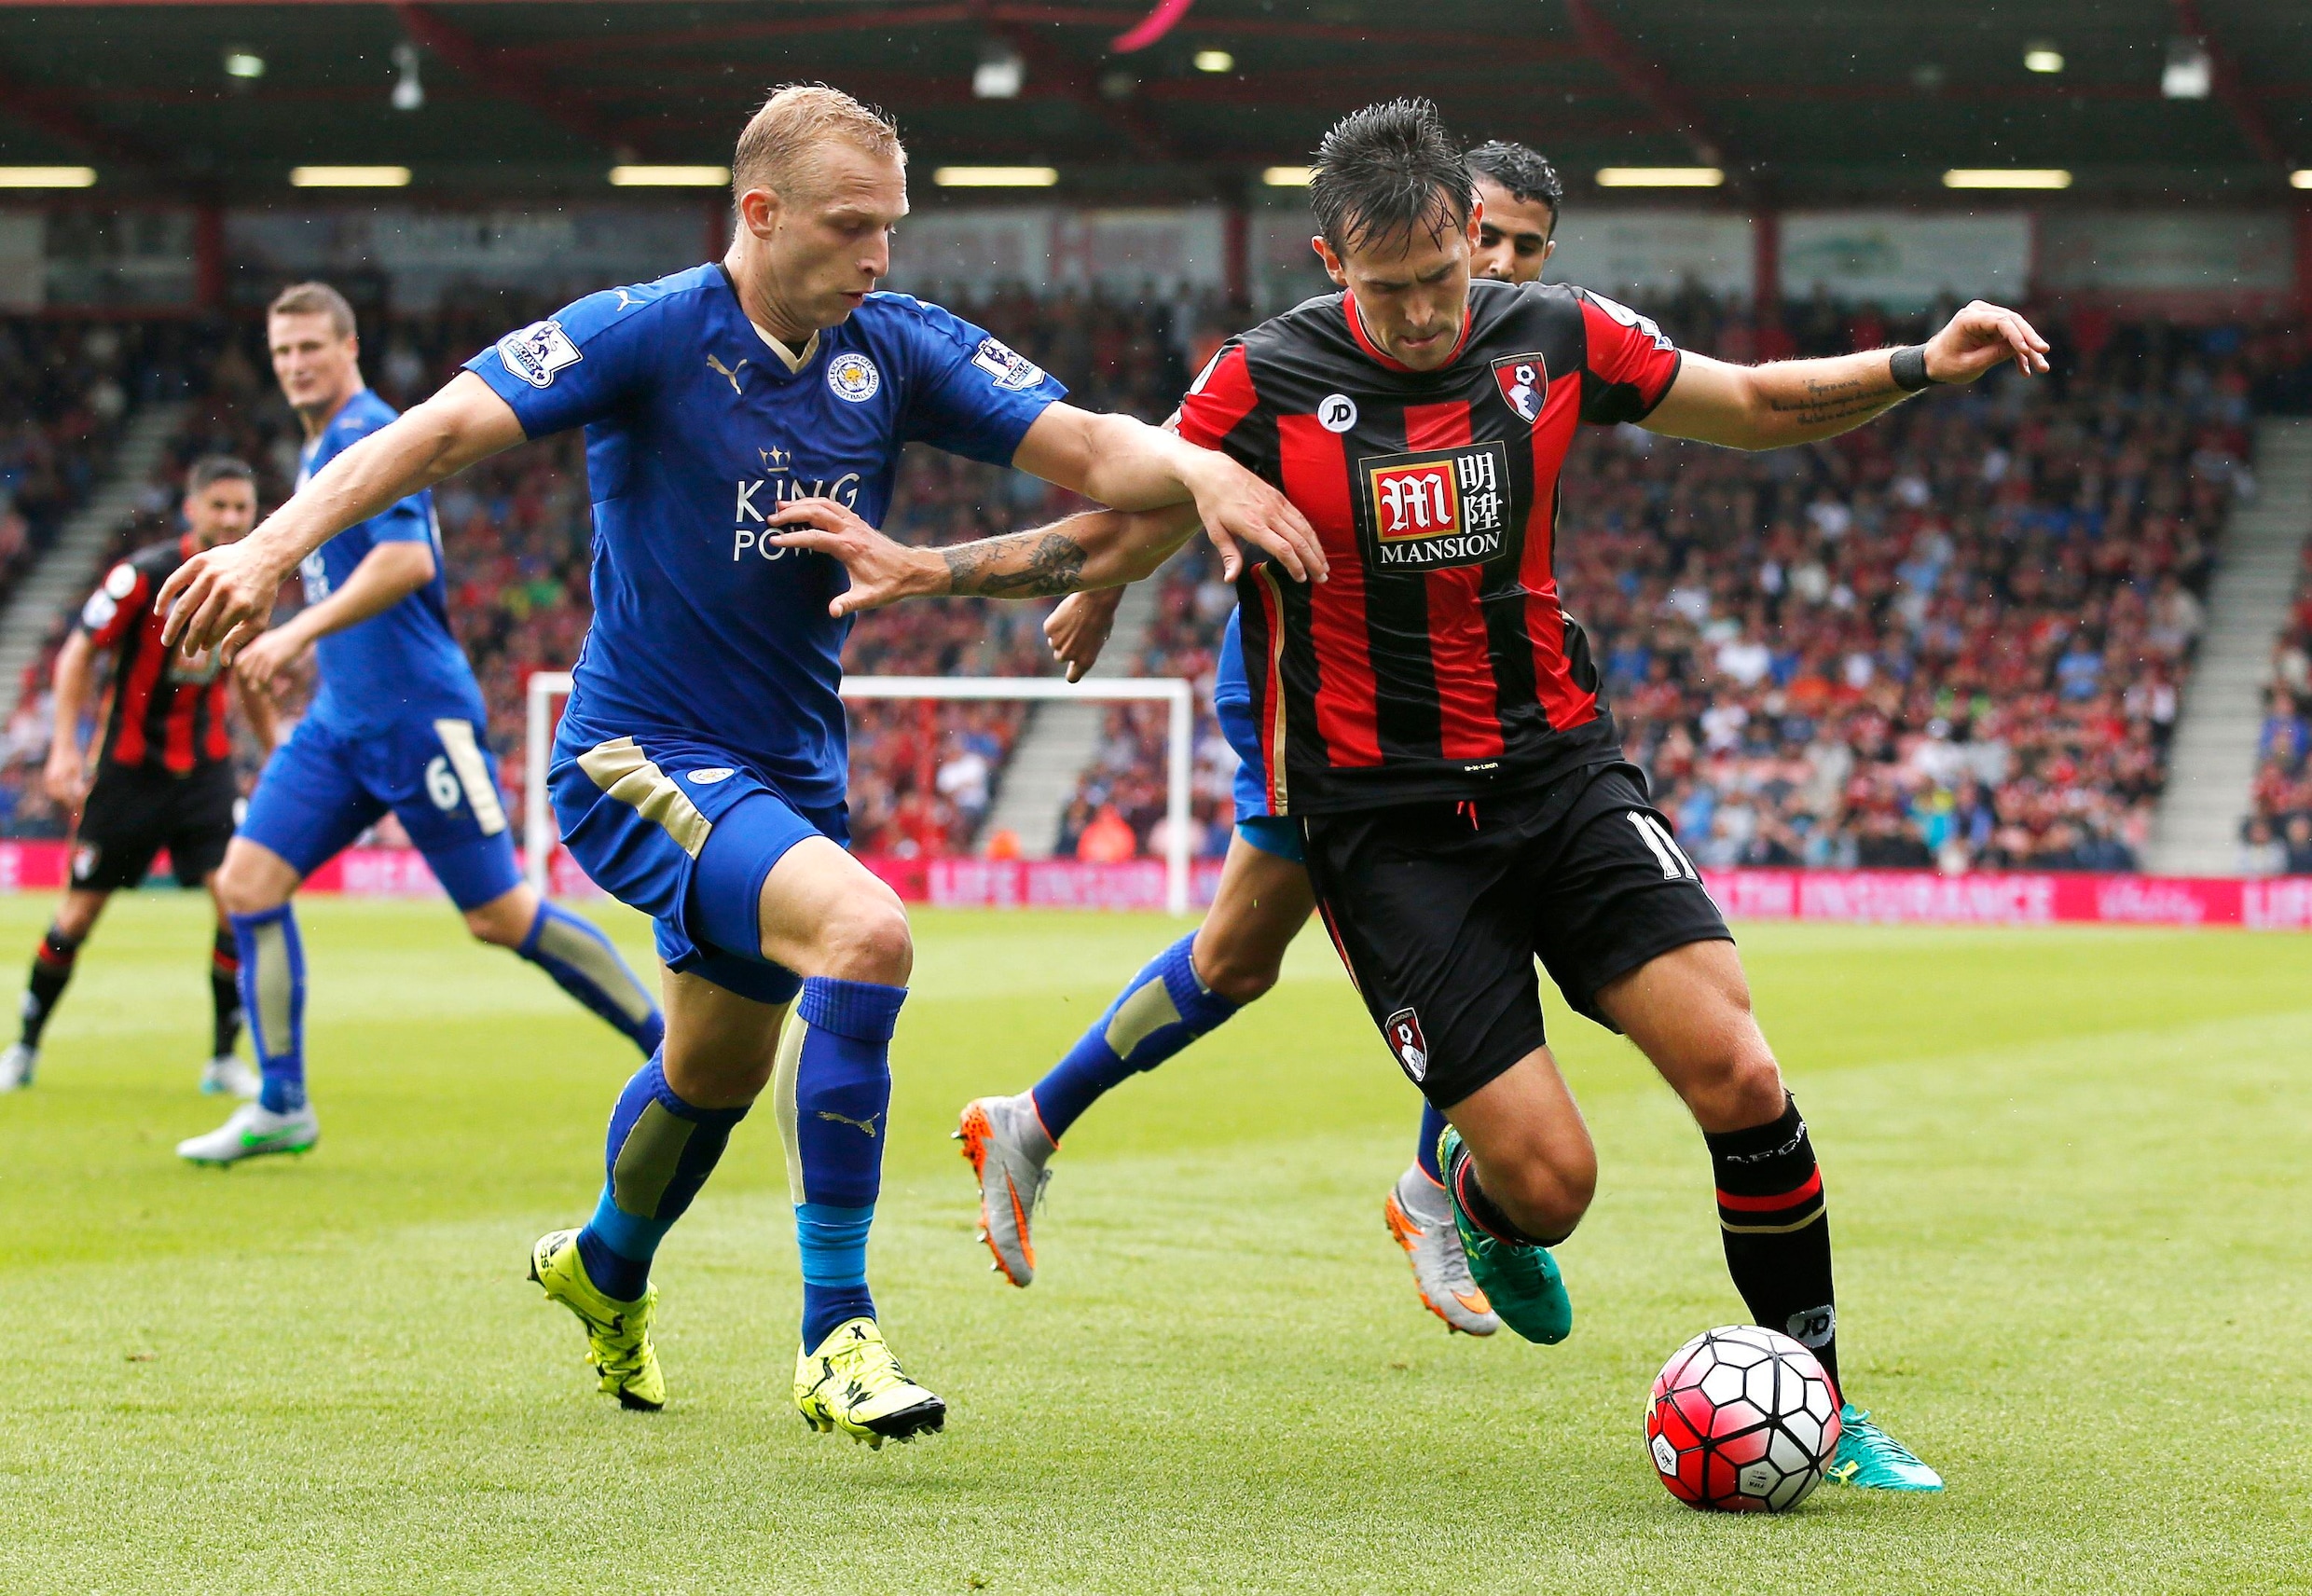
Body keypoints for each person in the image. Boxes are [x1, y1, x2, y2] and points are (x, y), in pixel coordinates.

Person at [778, 98, 2056, 1492]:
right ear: (1335, 262)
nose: (1429, 311)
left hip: (1561, 773)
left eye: (1446, 276)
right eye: (1389, 290)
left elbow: (1743, 404)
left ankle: (1824, 1396)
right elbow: (1119, 528)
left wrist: (1922, 361)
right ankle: (1465, 1190)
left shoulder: (1557, 332)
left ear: (1468, 232)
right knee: (1552, 1191)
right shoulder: (1262, 383)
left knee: (1742, 1075)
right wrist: (936, 568)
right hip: (1384, 834)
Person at [155, 86, 1320, 1444]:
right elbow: (434, 432)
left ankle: (603, 1265)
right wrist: (269, 548)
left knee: (710, 1072)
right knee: (867, 933)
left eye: (892, 226)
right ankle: (838, 1335)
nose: (881, 256)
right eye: (851, 227)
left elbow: (1093, 449)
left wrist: (1200, 469)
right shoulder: (645, 332)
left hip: (782, 774)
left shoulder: (895, 347)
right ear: (757, 215)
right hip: (634, 754)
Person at [955, 141, 1567, 1339]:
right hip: (1326, 706)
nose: (1491, 265)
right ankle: (1434, 1190)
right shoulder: (1325, 348)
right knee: (1459, 925)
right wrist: (1110, 580)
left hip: (1449, 705)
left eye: (1520, 248)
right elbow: (1211, 464)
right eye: (1479, 237)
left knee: (1238, 958)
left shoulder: (1524, 347)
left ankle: (1030, 1120)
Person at [170, 282, 665, 1167]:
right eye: (282, 353)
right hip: (341, 723)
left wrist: (296, 634)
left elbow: (403, 562)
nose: (294, 366)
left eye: (310, 348)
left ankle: (672, 1052)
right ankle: (281, 1101)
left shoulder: (365, 432)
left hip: (418, 720)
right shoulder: (319, 444)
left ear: (348, 346)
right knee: (245, 885)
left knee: (501, 916)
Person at [0, 457, 278, 1095]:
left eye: (243, 508)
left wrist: (277, 752)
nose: (233, 519)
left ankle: (221, 1059)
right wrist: (66, 749)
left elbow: (248, 677)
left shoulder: (250, 583)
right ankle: (25, 1046)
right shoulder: (143, 577)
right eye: (221, 506)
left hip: (204, 773)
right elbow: (78, 653)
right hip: (129, 774)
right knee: (78, 915)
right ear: (192, 509)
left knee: (236, 905)